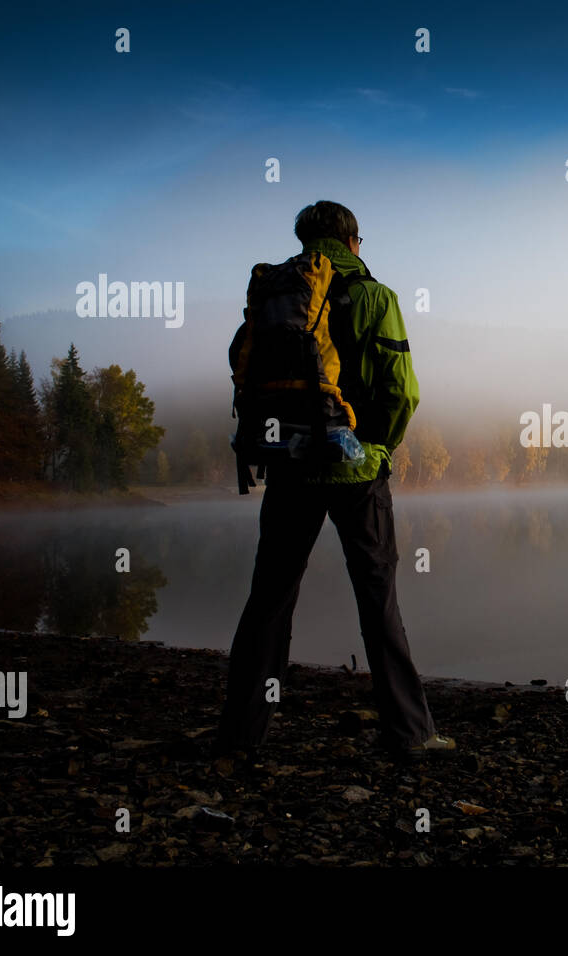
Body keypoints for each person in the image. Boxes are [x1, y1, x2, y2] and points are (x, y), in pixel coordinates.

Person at [215, 200, 454, 760]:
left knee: (269, 600)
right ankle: (410, 735)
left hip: (290, 464)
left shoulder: (280, 298)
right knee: (377, 600)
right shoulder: (376, 296)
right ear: (352, 241)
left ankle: (240, 736)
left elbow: (241, 360)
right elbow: (402, 391)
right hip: (355, 469)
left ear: (304, 240)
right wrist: (377, 449)